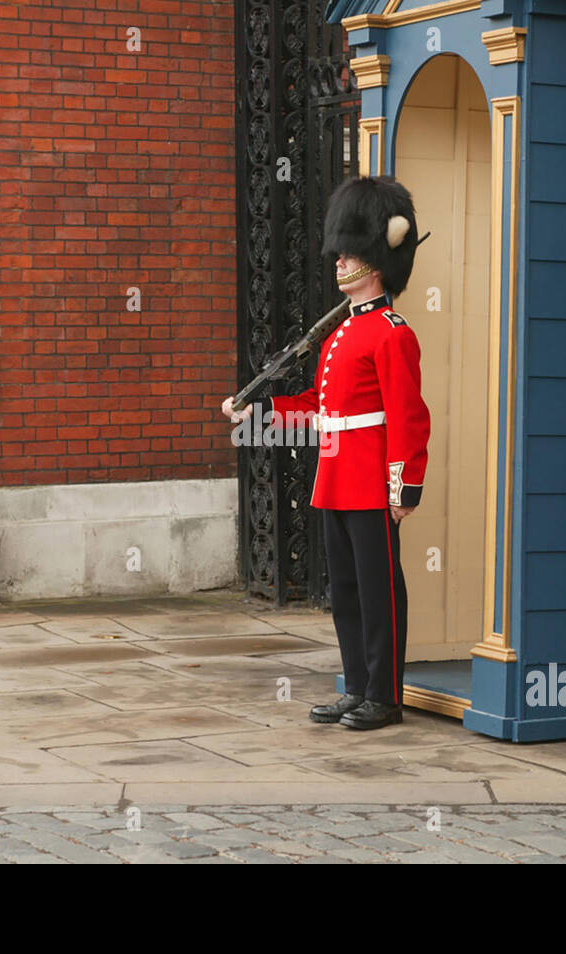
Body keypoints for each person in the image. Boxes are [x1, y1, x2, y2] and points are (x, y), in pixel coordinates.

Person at [221, 175, 430, 730]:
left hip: (370, 479)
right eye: (338, 252)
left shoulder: (392, 333)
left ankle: (385, 696)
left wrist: (404, 484)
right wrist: (259, 416)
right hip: (335, 475)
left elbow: (409, 415)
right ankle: (357, 685)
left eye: (349, 253)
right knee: (344, 589)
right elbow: (318, 405)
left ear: (376, 260)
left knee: (379, 589)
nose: (338, 261)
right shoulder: (343, 333)